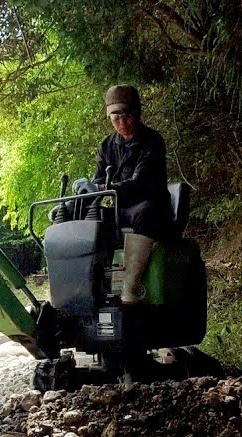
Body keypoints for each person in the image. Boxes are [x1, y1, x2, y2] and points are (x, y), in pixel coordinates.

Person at [93, 84, 171, 303]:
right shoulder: (107, 145)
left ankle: (130, 287)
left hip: (149, 204)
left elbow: (141, 183)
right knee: (91, 214)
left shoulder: (152, 141)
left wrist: (104, 189)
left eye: (126, 116)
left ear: (137, 113)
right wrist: (90, 189)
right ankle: (95, 286)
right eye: (115, 117)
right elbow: (98, 179)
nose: (121, 122)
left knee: (145, 213)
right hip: (119, 206)